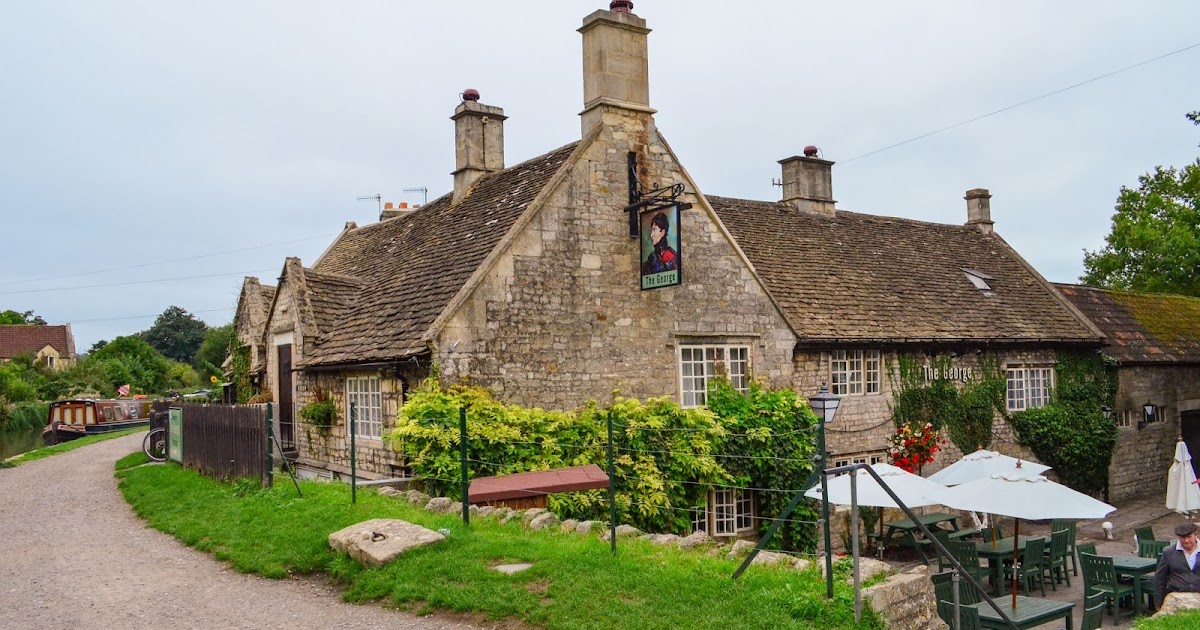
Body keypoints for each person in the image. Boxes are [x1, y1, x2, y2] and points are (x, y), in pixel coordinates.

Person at [1155, 522, 1200, 608]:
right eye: (1182, 538)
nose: (1186, 541)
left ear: (1196, 535)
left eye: (1189, 537)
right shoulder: (1169, 552)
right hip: (1176, 598)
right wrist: (1158, 604)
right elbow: (1160, 578)